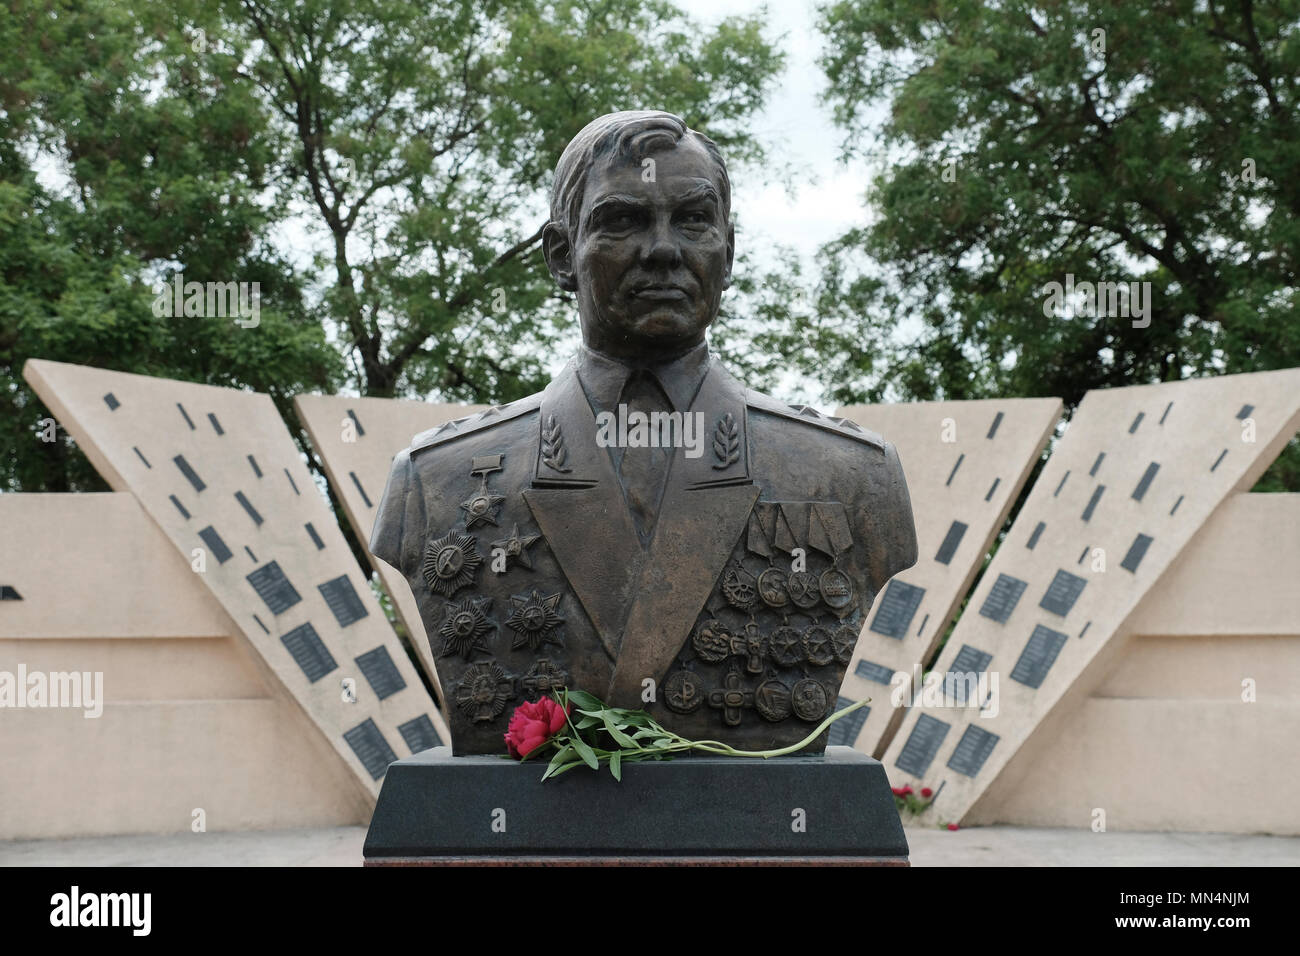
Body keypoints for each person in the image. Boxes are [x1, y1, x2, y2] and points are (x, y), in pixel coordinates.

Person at [371, 110, 917, 754]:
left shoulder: (853, 476)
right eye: (622, 220)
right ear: (559, 256)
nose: (664, 250)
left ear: (729, 251)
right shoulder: (433, 482)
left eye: (693, 219)